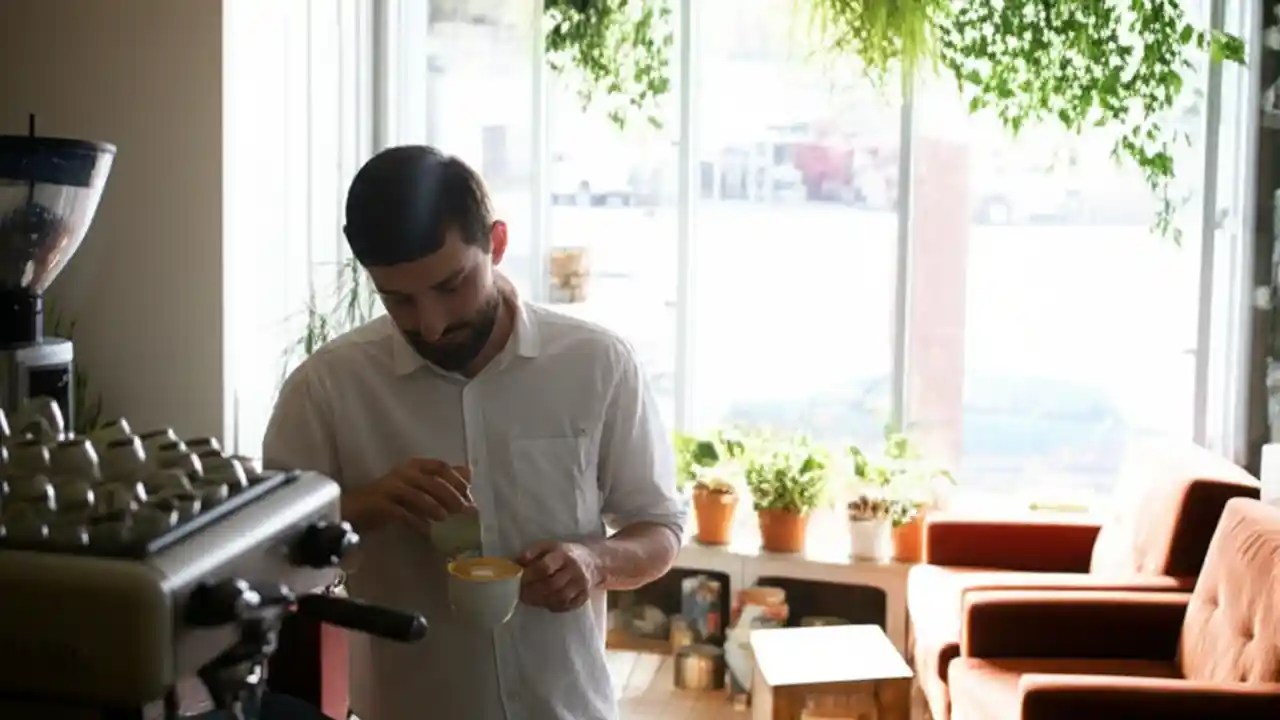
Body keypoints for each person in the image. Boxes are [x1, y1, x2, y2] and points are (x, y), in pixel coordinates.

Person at [262, 145, 685, 720]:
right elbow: (268, 561)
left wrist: (595, 564)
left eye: (451, 285)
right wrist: (363, 507)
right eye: (398, 300)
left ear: (498, 244)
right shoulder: (325, 390)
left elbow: (659, 529)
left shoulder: (596, 364)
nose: (430, 324)